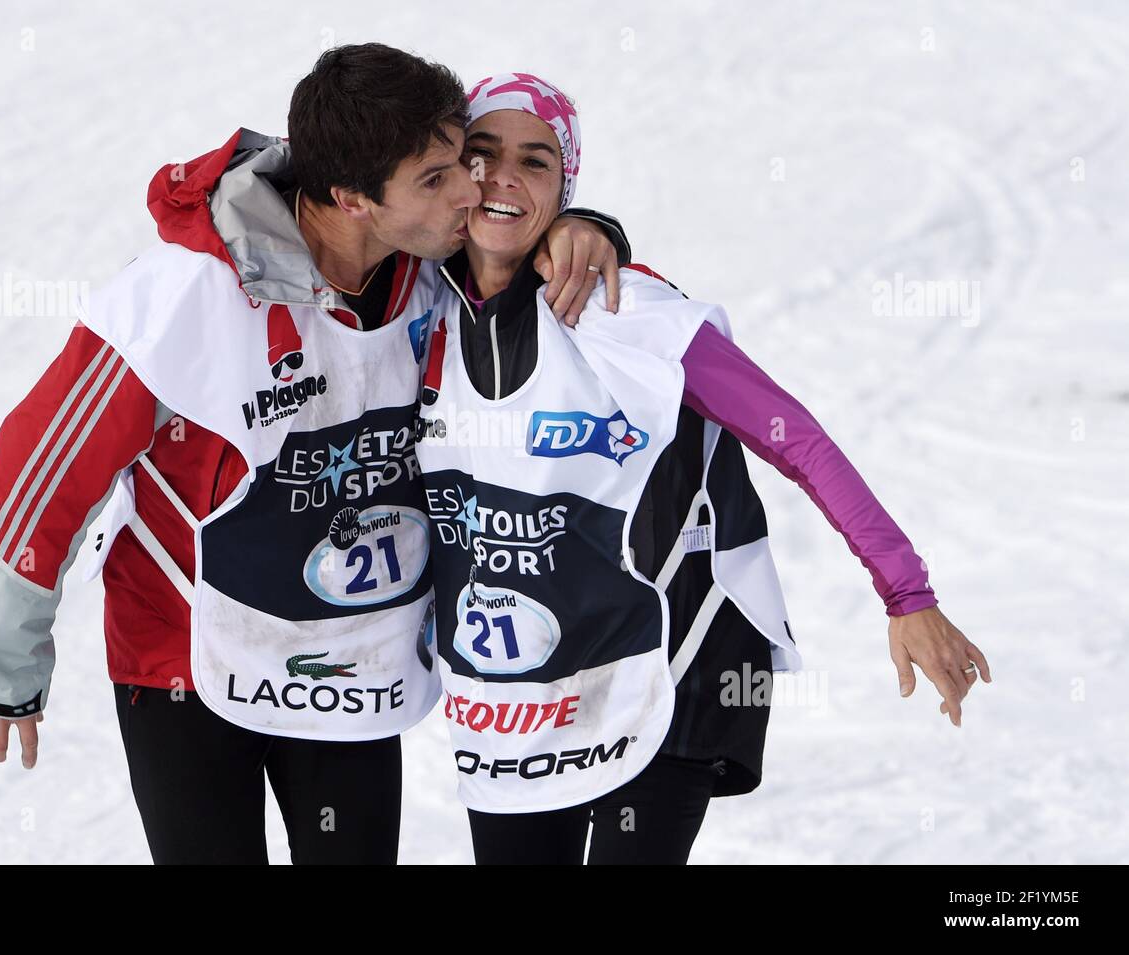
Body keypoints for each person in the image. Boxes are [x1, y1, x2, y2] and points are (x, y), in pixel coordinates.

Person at [0, 45, 630, 865]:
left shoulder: (433, 270)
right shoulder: (182, 297)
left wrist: (585, 227)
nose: (471, 191)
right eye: (436, 177)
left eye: (462, 161)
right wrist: (6, 660)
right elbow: (44, 470)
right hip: (186, 664)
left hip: (354, 663)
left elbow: (536, 246)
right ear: (351, 198)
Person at [413, 72, 991, 864]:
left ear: (566, 183)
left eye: (536, 162)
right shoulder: (422, 309)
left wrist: (907, 591)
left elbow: (798, 438)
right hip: (519, 693)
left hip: (676, 666)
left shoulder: (627, 309)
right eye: (482, 155)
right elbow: (329, 171)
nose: (505, 176)